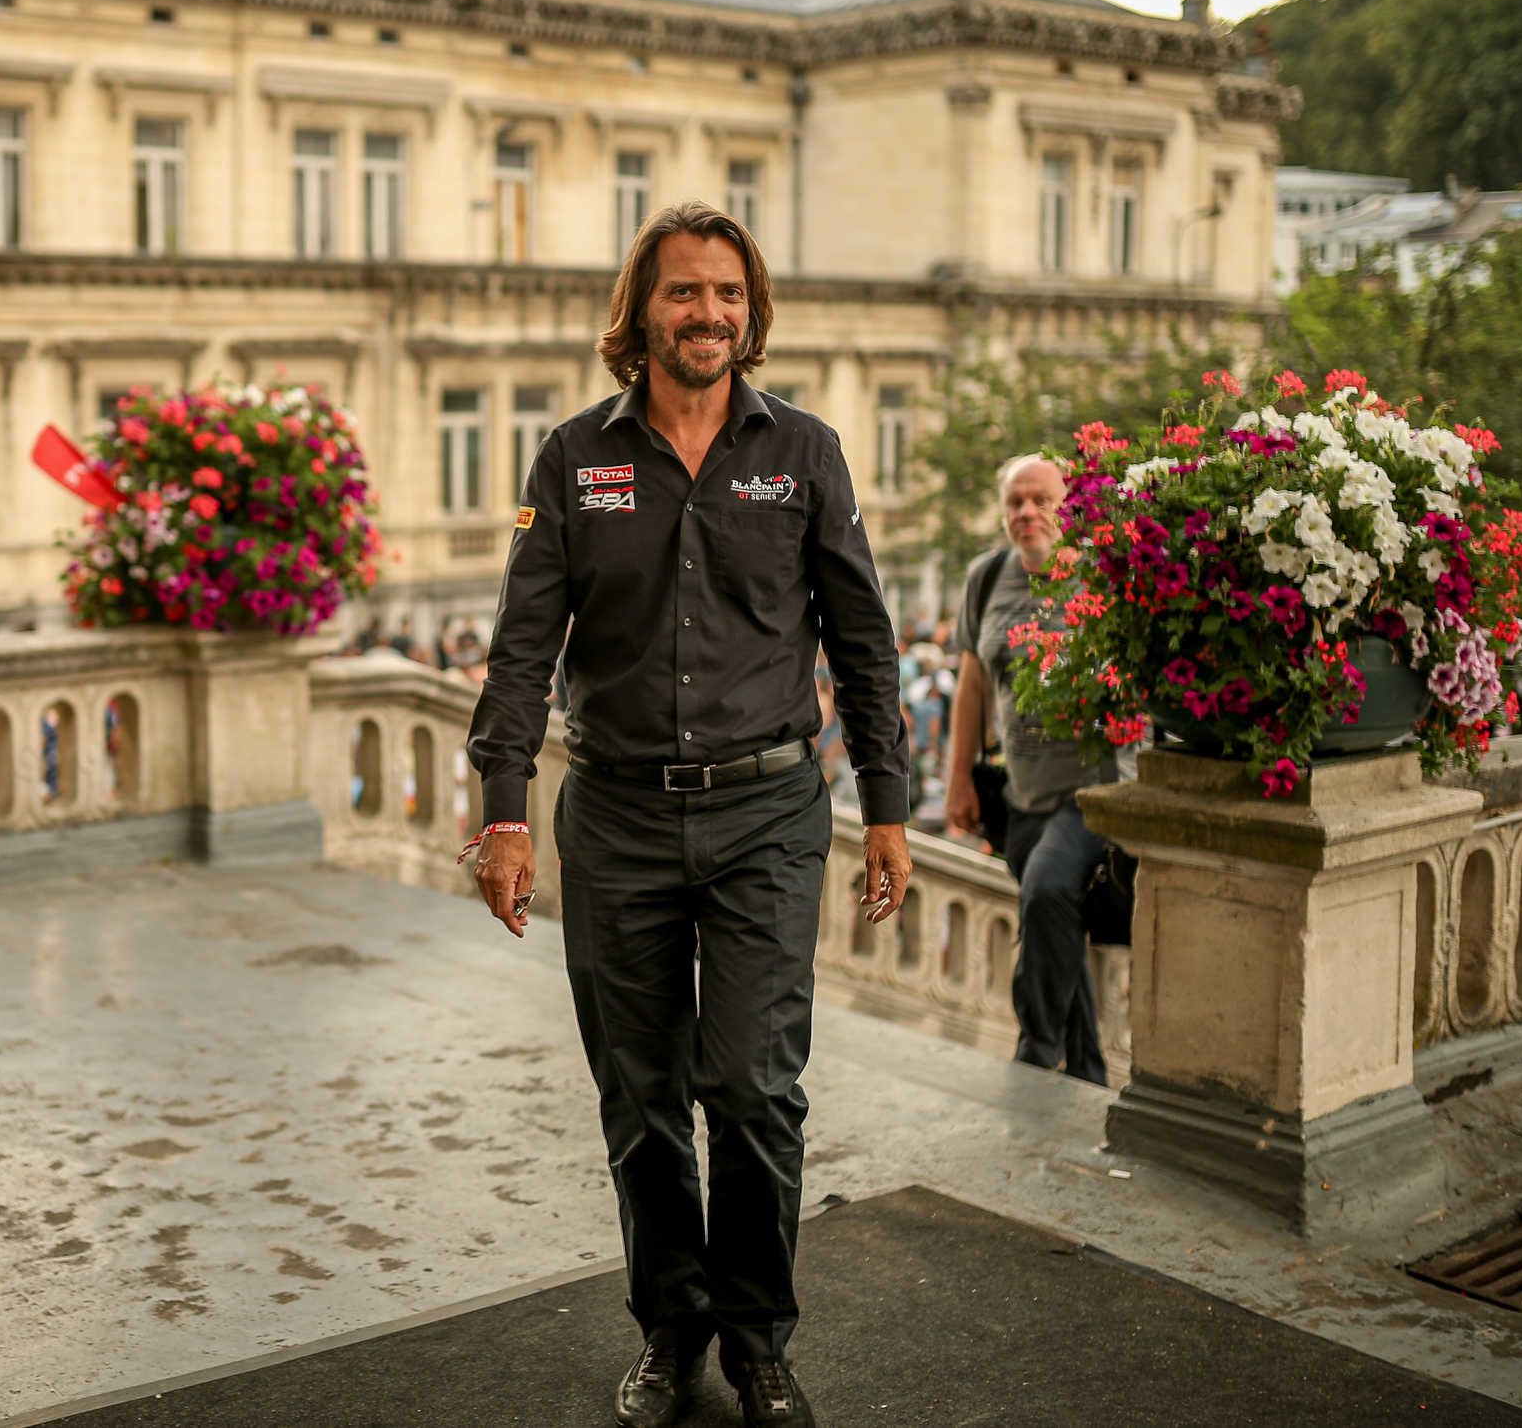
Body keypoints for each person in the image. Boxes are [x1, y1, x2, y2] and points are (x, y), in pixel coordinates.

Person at [465, 200, 911, 1428]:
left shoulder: (805, 452)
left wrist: (887, 805)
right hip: (610, 817)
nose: (707, 312)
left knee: (756, 1085)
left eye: (727, 293)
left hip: (770, 809)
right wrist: (503, 810)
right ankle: (671, 1328)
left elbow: (864, 640)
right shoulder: (572, 457)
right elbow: (519, 650)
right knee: (641, 1092)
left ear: (750, 312)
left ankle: (759, 1333)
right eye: (683, 292)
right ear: (640, 312)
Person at [943, 453, 1118, 1085]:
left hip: (1094, 791)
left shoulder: (1102, 577)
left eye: (1042, 499)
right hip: (1022, 794)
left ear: (1070, 505)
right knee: (1055, 925)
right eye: (1016, 501)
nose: (1027, 513)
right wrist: (958, 777)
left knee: (1047, 891)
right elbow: (970, 685)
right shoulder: (987, 578)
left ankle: (1036, 1053)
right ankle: (1089, 1074)